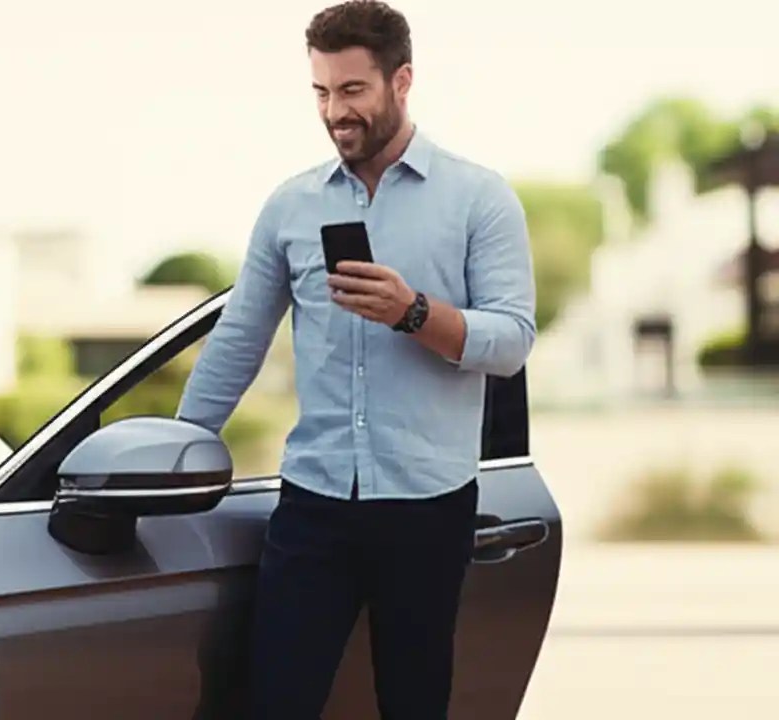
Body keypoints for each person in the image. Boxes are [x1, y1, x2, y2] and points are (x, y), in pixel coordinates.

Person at [174, 1, 537, 718]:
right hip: (314, 505)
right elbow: (238, 341)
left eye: (352, 91)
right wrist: (173, 451)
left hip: (428, 508)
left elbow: (512, 340)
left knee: (413, 703)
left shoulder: (479, 200)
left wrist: (413, 311)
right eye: (321, 92)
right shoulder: (290, 207)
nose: (334, 111)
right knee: (273, 702)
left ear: (401, 82)